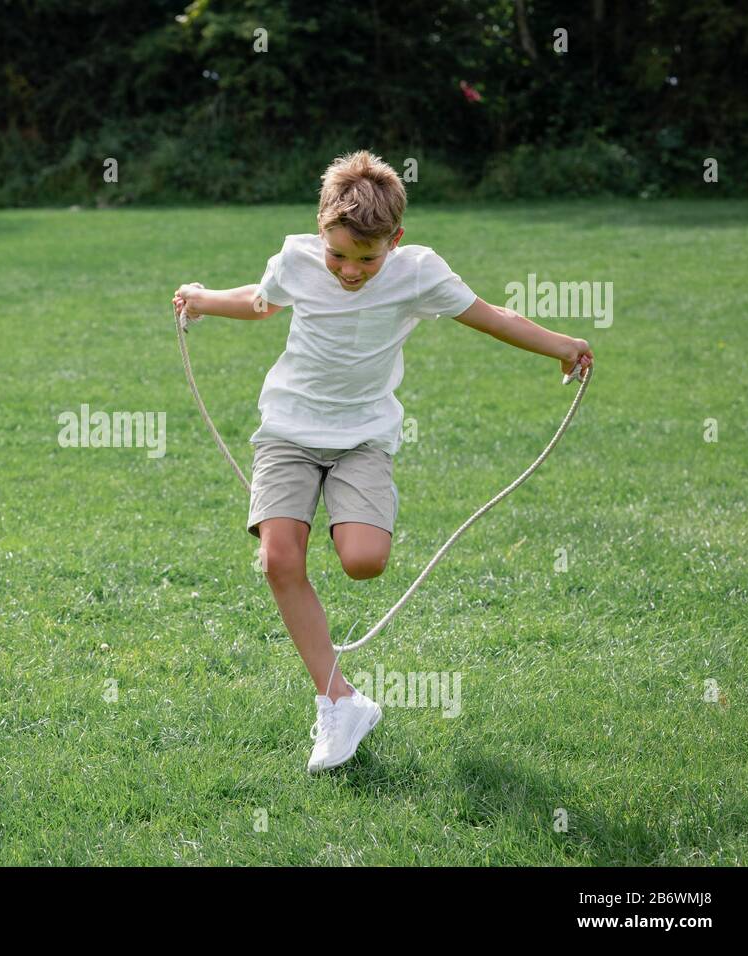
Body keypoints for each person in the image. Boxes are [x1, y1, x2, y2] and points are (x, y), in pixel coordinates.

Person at [172, 150, 594, 773]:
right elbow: (261, 302)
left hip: (364, 437)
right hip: (287, 429)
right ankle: (338, 701)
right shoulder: (297, 258)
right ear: (320, 233)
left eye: (366, 259)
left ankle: (344, 686)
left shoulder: (418, 273)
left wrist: (562, 346)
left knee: (364, 562)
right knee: (279, 556)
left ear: (395, 241)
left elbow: (489, 316)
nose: (348, 270)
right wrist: (203, 298)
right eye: (337, 254)